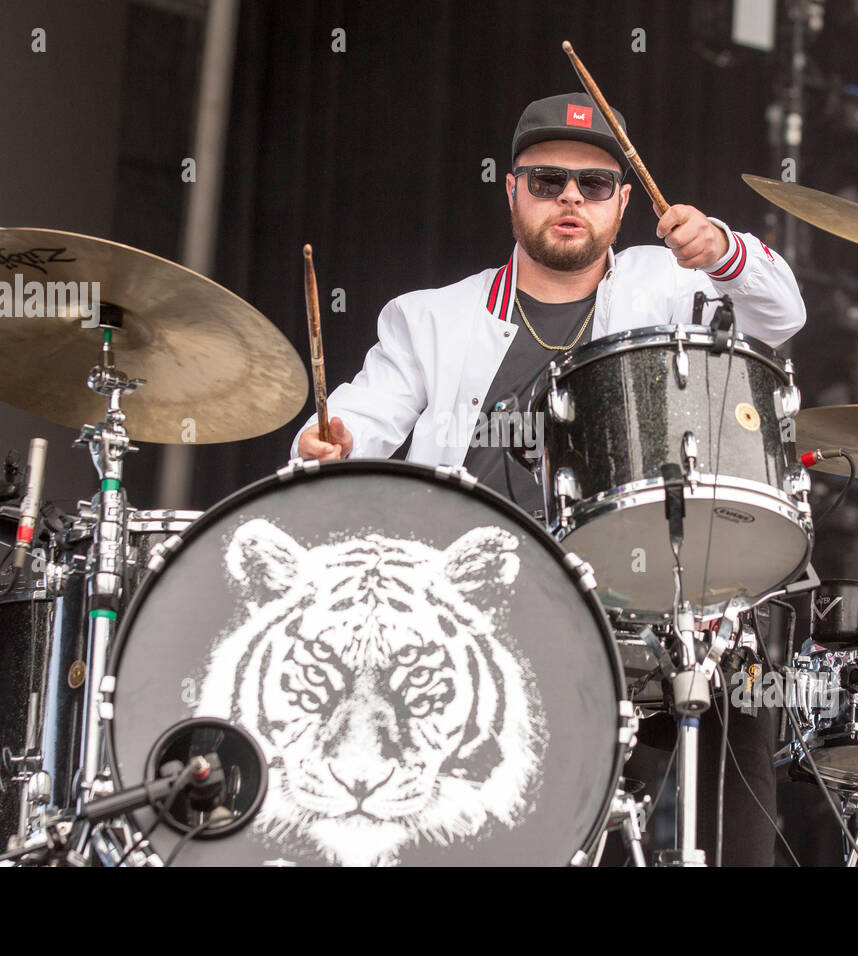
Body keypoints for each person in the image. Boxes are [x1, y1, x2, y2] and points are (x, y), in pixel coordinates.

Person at [292, 93, 806, 864]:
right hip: (477, 614)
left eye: (594, 185)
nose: (570, 197)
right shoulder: (431, 318)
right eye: (547, 180)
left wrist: (724, 249)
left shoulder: (665, 283)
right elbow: (356, 419)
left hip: (639, 601)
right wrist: (328, 441)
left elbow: (779, 315)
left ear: (623, 202)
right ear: (512, 190)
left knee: (740, 653)